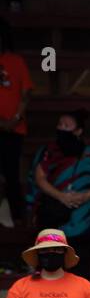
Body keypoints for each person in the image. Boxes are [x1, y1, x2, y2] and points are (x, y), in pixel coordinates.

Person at [27, 109, 90, 277]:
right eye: (60, 124)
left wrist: (85, 196)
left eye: (67, 125)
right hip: (53, 218)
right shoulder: (48, 152)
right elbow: (40, 177)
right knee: (50, 268)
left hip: (83, 219)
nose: (62, 128)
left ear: (78, 131)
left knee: (80, 269)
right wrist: (61, 196)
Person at [0, 18, 32, 224]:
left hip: (14, 128)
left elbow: (26, 92)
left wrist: (15, 118)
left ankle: (18, 220)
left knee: (11, 175)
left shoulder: (17, 61)